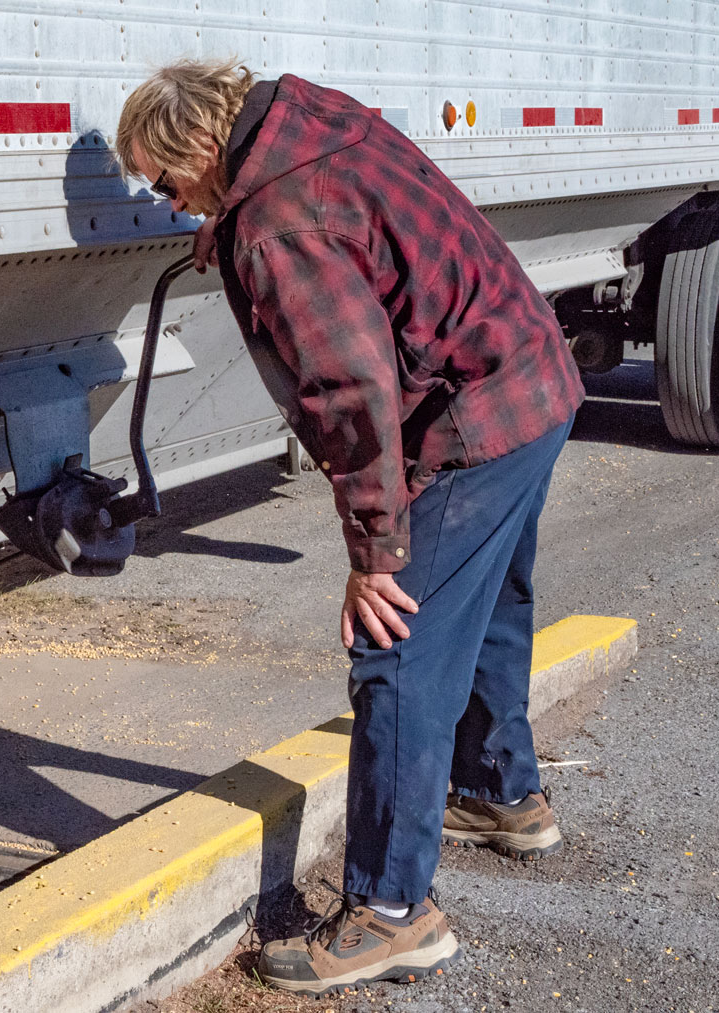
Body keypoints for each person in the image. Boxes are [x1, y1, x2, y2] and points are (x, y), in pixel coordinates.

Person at [116, 60, 586, 996]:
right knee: (486, 607)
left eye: (165, 182)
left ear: (204, 148)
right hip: (531, 373)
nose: (166, 203)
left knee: (397, 650)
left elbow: (351, 391)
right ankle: (502, 793)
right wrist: (227, 220)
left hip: (477, 417)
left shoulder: (280, 224)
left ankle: (391, 912)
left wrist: (376, 553)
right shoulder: (303, 125)